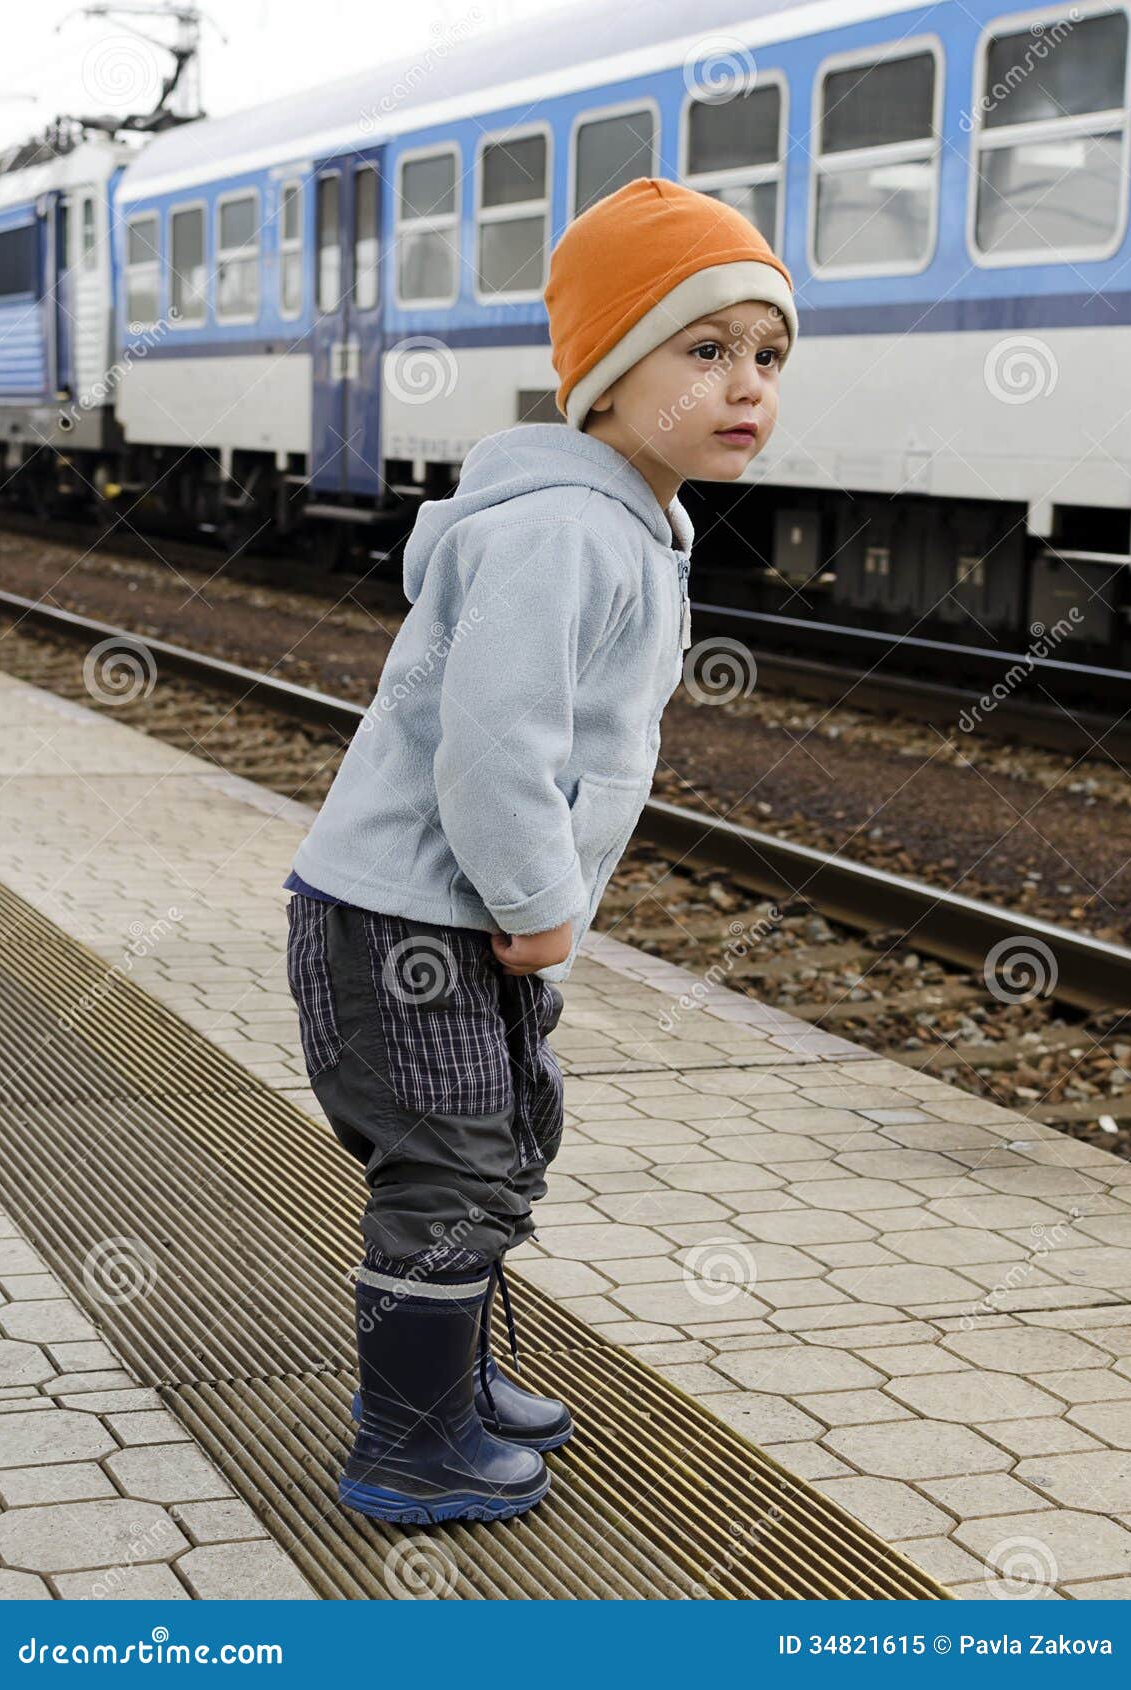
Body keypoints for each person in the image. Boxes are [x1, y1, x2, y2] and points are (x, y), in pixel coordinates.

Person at [282, 176, 797, 1525]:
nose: (747, 383)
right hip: (410, 914)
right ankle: (407, 1444)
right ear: (606, 376)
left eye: (767, 353)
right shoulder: (565, 530)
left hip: (467, 915)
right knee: (451, 1165)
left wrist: (532, 906)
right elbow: (494, 745)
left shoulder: (629, 521)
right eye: (704, 349)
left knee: (505, 1138)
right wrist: (534, 901)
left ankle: (451, 1382)